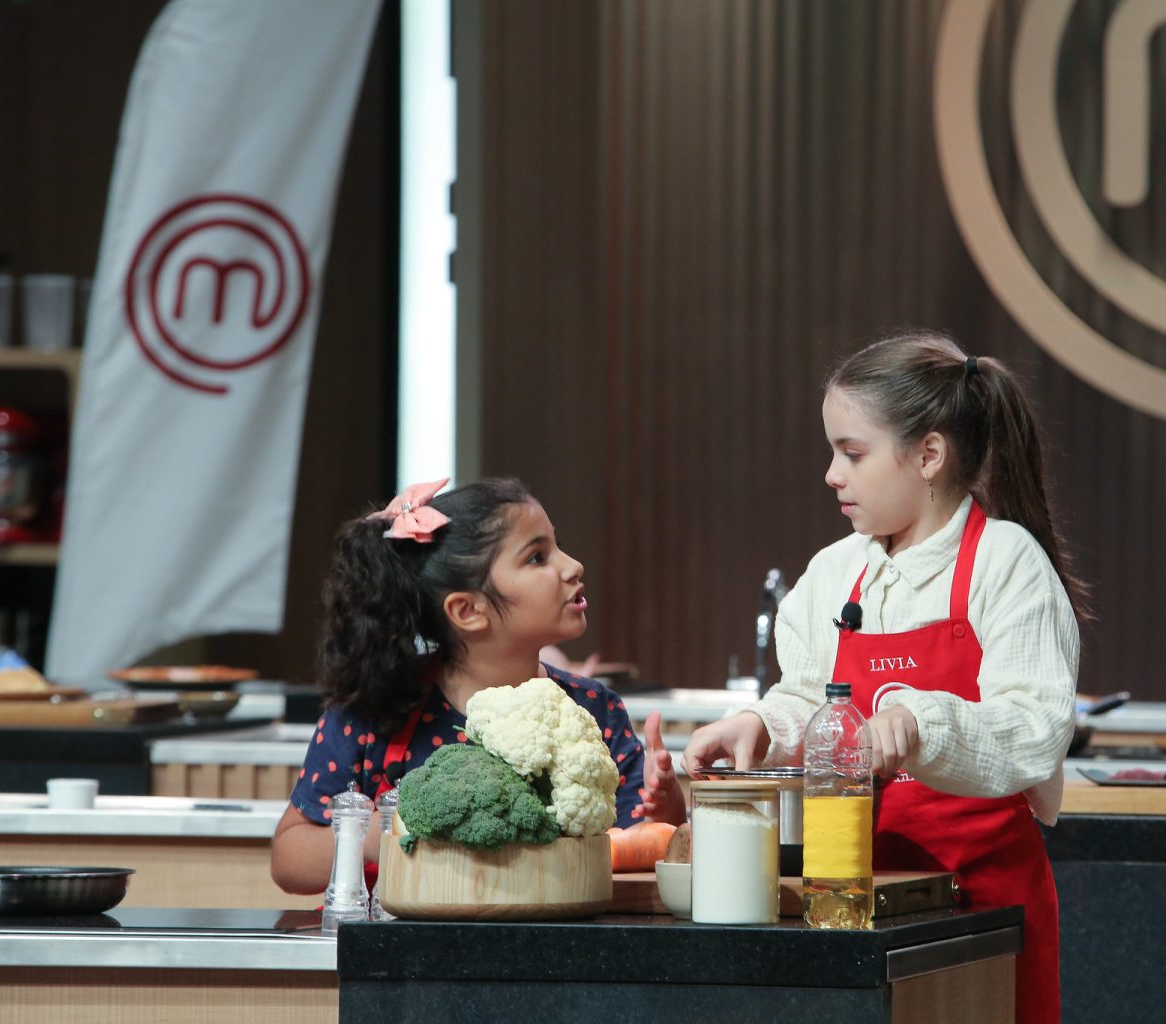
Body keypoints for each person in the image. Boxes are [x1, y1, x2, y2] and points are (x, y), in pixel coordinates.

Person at [684, 330, 1085, 1024]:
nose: (832, 475)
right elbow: (807, 697)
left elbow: (1033, 730)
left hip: (984, 896)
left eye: (852, 453)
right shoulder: (836, 573)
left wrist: (921, 724)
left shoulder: (1005, 562)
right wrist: (761, 727)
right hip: (857, 889)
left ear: (929, 454)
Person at [271, 476, 685, 895]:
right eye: (538, 557)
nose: (572, 565)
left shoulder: (594, 710)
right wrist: (388, 830)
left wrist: (667, 803)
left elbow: (647, 842)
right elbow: (289, 858)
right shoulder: (373, 712)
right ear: (468, 610)